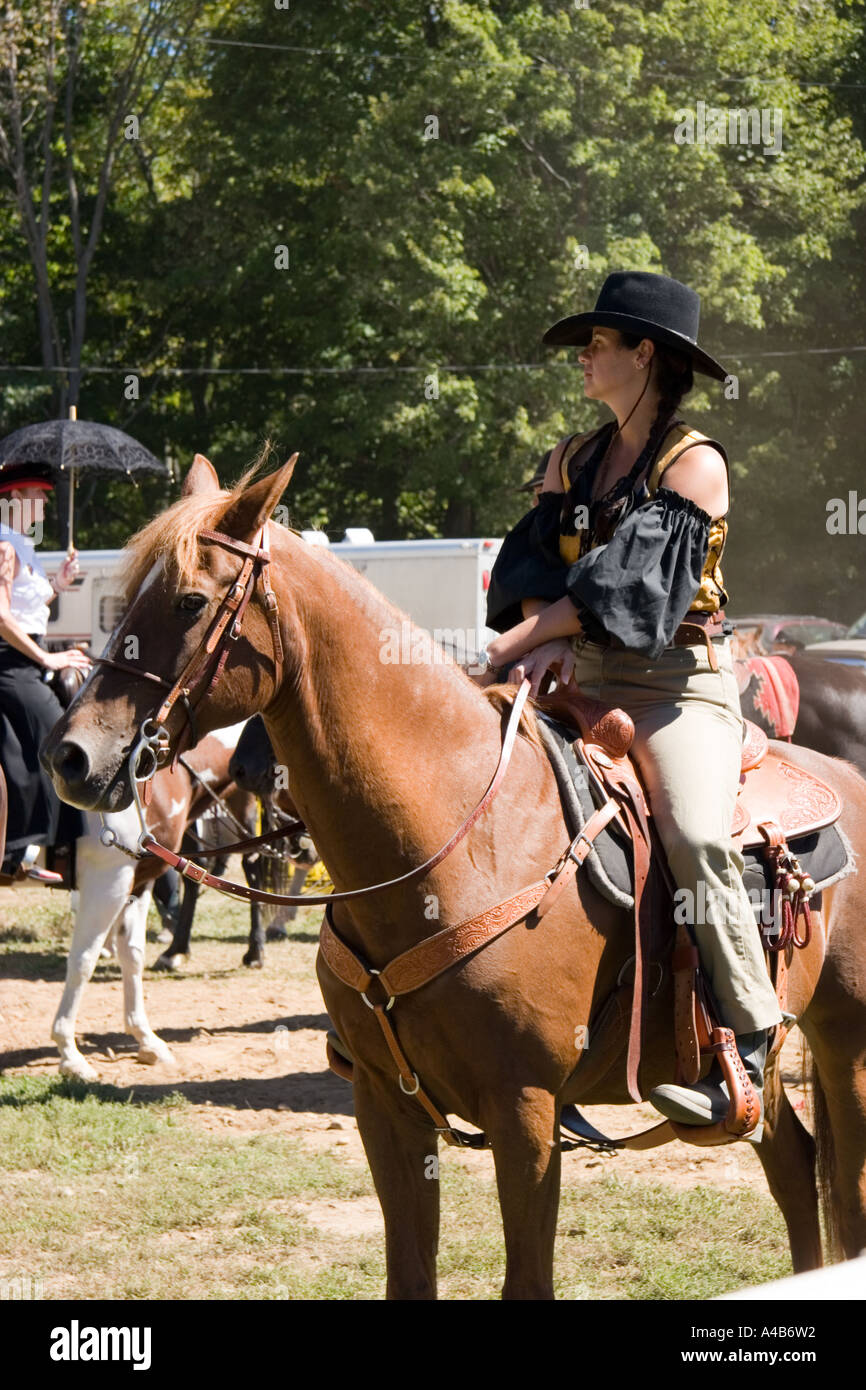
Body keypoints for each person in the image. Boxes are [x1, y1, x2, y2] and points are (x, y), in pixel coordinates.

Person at [484, 271, 783, 1131]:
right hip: (575, 677)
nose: (583, 357)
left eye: (599, 344)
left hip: (676, 689)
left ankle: (749, 1041)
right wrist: (537, 647)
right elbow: (532, 573)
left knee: (691, 833)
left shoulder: (694, 465)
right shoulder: (567, 460)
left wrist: (512, 646)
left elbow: (625, 590)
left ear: (644, 355)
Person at [0, 462, 91, 882]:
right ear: (13, 498)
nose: (43, 503)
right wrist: (48, 659)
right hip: (10, 662)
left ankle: (29, 852)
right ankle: (23, 851)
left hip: (25, 657)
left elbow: (27, 609)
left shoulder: (22, 546)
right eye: (36, 495)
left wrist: (59, 583)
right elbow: (1, 620)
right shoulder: (3, 544)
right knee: (61, 738)